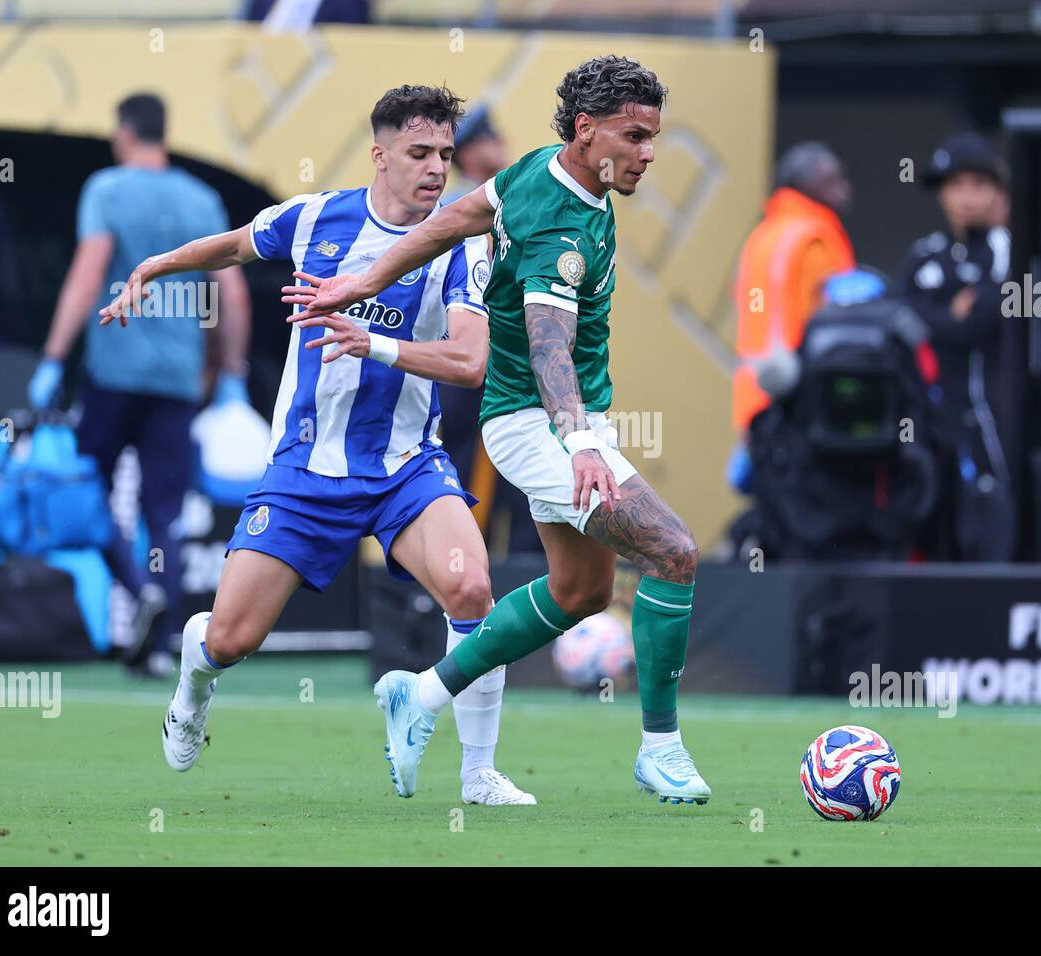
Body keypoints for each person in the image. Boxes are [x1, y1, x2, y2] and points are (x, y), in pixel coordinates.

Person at [284, 55, 711, 806]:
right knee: (673, 550)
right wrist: (580, 443)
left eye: (653, 136)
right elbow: (548, 342)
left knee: (581, 590)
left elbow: (453, 220)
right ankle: (661, 747)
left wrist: (364, 279)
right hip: (540, 424)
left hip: (556, 421)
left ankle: (422, 695)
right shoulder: (560, 225)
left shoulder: (544, 169)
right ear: (587, 128)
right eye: (633, 135)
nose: (647, 153)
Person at [99, 84, 536, 807]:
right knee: (231, 640)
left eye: (446, 154)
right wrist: (153, 267)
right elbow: (235, 245)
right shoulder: (315, 219)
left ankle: (478, 773)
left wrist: (377, 345)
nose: (436, 169)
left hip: (405, 467)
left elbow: (470, 362)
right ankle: (193, 678)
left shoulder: (462, 244)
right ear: (380, 155)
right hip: (305, 471)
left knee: (471, 586)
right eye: (419, 153)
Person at [29, 93, 252, 677]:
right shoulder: (201, 199)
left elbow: (86, 273)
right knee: (164, 513)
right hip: (177, 383)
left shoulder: (107, 189)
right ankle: (159, 647)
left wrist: (53, 357)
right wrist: (231, 374)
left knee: (87, 489)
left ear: (124, 132)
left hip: (113, 377)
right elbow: (229, 294)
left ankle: (135, 588)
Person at [897, 130, 1014, 561]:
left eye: (978, 185)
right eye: (956, 185)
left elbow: (979, 325)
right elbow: (901, 319)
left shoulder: (1008, 251)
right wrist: (949, 315)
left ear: (996, 192)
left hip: (992, 414)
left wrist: (936, 316)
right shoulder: (924, 255)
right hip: (930, 415)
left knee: (992, 511)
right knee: (931, 513)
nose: (967, 197)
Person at [438, 107, 541, 555]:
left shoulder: (524, 198)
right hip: (474, 354)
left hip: (516, 354)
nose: (501, 144)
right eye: (489, 138)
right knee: (464, 461)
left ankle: (521, 573)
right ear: (471, 152)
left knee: (525, 467)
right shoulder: (458, 208)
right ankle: (461, 564)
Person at [729, 142, 855, 489]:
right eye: (833, 180)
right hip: (800, 403)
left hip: (756, 402)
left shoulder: (763, 235)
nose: (845, 188)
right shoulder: (813, 238)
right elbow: (831, 323)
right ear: (806, 185)